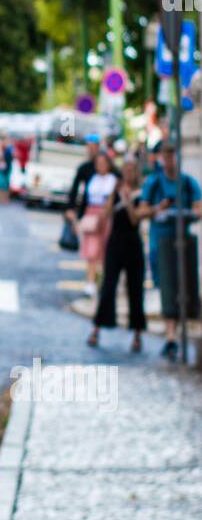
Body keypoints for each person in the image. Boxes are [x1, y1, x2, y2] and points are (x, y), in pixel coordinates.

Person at [138, 144, 202, 359]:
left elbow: (199, 207)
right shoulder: (154, 182)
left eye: (173, 154)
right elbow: (142, 210)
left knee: (185, 286)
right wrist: (159, 209)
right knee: (167, 286)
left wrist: (191, 212)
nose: (170, 159)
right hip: (162, 242)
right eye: (166, 154)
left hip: (184, 242)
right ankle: (171, 336)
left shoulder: (187, 182)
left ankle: (177, 335)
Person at [87, 160, 146, 352]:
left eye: (131, 170)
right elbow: (106, 214)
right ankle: (96, 329)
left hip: (133, 244)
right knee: (108, 285)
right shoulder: (117, 190)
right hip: (115, 242)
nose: (128, 173)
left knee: (135, 289)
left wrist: (128, 200)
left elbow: (135, 219)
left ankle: (137, 334)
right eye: (126, 170)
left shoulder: (141, 193)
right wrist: (115, 193)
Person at [76, 151, 117, 295]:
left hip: (103, 215)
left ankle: (102, 282)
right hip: (91, 213)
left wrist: (103, 216)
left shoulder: (112, 180)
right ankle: (90, 281)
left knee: (104, 250)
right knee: (91, 251)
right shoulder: (93, 178)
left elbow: (110, 201)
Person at [65, 134, 101, 226]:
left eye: (93, 147)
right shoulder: (84, 168)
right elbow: (74, 189)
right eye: (89, 148)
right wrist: (70, 208)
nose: (91, 150)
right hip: (87, 208)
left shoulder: (106, 167)